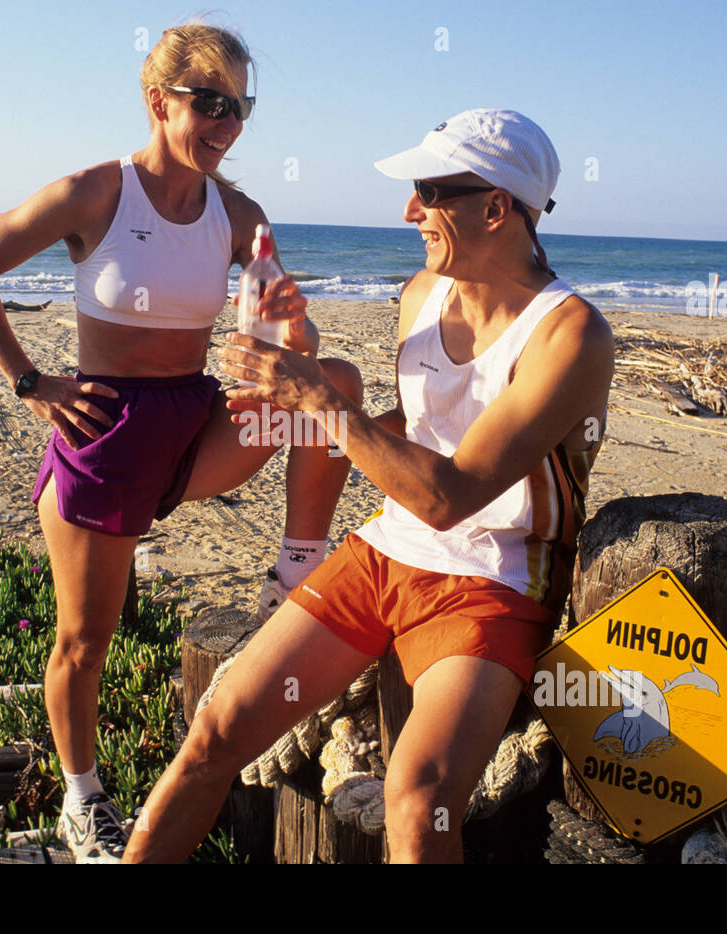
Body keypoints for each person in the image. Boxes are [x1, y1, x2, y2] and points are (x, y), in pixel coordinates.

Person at [121, 108, 614, 863]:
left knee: (417, 803)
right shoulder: (421, 295)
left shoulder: (569, 334)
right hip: (385, 553)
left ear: (496, 207)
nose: (409, 211)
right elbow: (416, 429)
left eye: (429, 191)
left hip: (494, 578)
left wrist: (321, 399)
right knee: (216, 728)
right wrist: (298, 379)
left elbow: (448, 494)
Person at [0, 23, 362, 863]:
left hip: (195, 427)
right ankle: (84, 798)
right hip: (103, 439)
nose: (226, 124)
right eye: (208, 102)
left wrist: (293, 327)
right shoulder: (97, 192)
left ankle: (296, 569)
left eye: (239, 108)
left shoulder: (240, 215)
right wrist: (33, 386)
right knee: (83, 642)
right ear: (157, 101)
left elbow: (294, 342)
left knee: (340, 387)